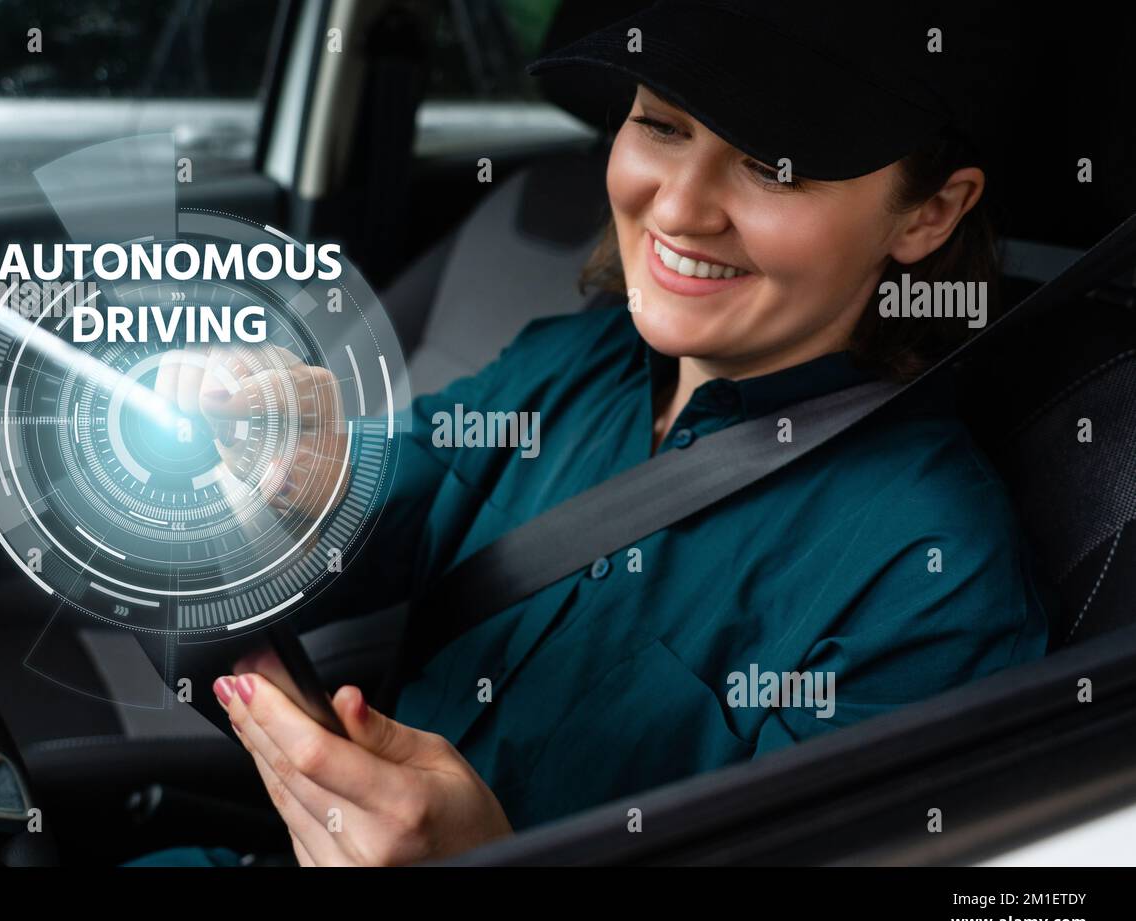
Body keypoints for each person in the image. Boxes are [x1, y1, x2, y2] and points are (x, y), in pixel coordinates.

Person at [138, 0, 1050, 866]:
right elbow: (382, 497)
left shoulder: (930, 573)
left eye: (775, 164)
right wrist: (288, 455)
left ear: (929, 213)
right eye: (661, 123)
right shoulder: (570, 360)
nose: (679, 207)